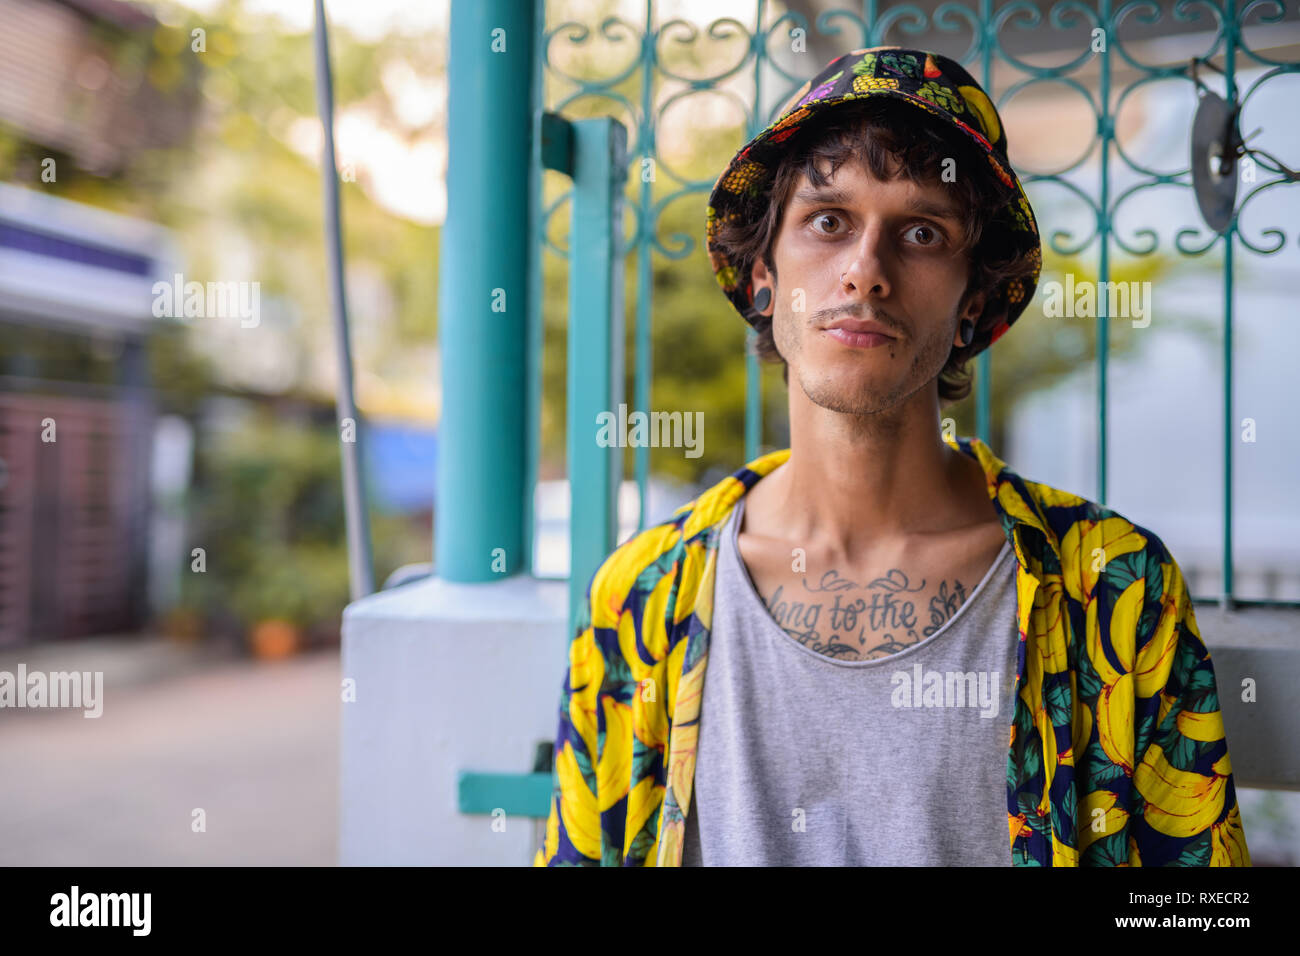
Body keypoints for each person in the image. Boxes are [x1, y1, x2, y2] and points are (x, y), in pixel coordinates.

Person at [534, 46, 1250, 867]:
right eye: (827, 221)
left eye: (920, 232)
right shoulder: (645, 596)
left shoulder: (1112, 590)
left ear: (973, 299)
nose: (865, 272)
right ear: (765, 275)